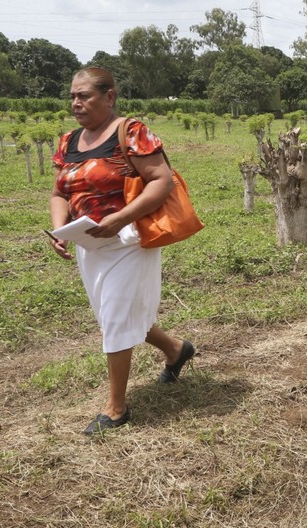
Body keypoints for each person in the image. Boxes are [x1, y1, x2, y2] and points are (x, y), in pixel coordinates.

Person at [49, 67, 196, 435]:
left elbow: (160, 181)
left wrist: (120, 217)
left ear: (110, 96)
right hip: (90, 243)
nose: (76, 103)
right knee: (117, 315)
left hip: (128, 239)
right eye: (72, 96)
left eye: (85, 95)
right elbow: (59, 193)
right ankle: (177, 350)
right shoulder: (69, 141)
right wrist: (59, 229)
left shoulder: (130, 132)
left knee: (116, 317)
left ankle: (116, 408)